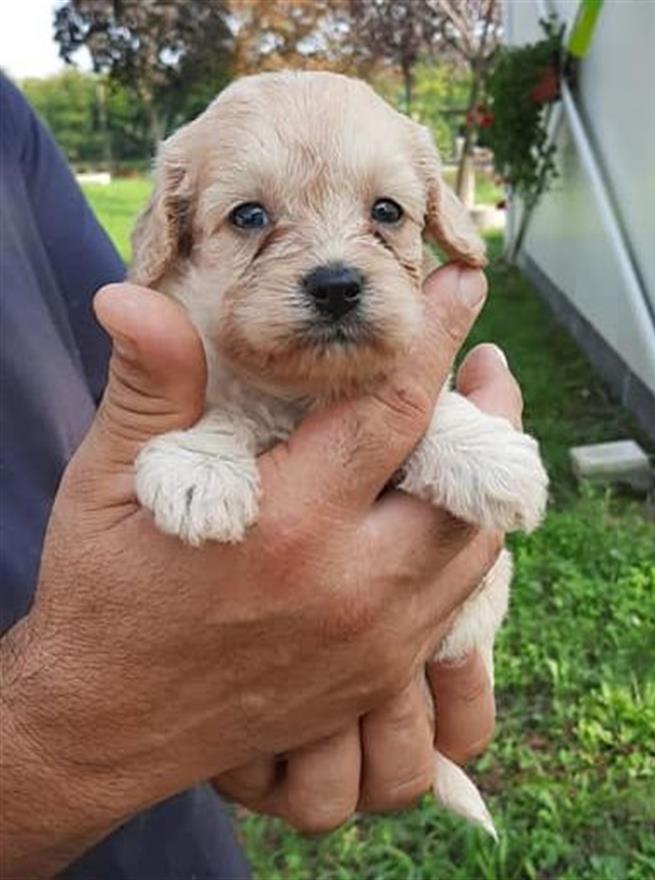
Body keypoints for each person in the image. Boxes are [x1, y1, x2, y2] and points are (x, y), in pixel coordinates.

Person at [0, 74, 524, 879]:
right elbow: (151, 405)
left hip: (166, 823)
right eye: (251, 217)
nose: (334, 267)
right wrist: (204, 446)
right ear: (176, 230)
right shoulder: (204, 374)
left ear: (431, 218)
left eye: (385, 214)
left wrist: (440, 427)